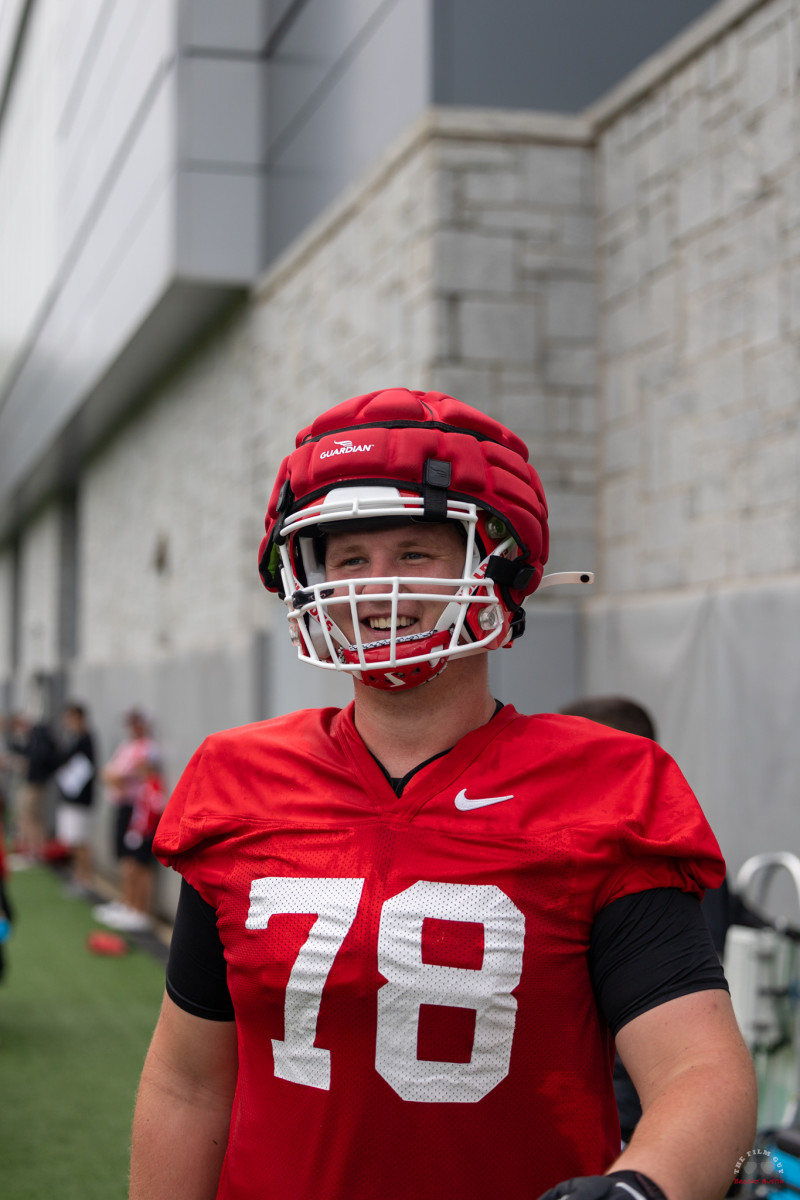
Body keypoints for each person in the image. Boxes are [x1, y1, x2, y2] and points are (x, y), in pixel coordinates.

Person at [131, 388, 756, 1200]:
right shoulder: (236, 779)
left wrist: (644, 1185)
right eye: (349, 559)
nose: (375, 586)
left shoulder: (607, 788)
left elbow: (700, 1070)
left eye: (415, 551)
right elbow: (190, 1083)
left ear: (495, 564)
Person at [94, 709, 161, 933]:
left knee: (139, 863)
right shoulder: (126, 747)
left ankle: (139, 909)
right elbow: (109, 774)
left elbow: (123, 775)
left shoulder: (148, 750)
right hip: (129, 811)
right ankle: (128, 904)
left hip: (140, 815)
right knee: (127, 859)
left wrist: (118, 776)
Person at [53, 701, 97, 896]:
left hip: (80, 799)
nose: (67, 722)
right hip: (70, 797)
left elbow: (85, 769)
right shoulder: (74, 738)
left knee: (80, 840)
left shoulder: (87, 739)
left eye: (70, 718)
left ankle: (84, 879)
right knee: (72, 839)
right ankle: (78, 877)